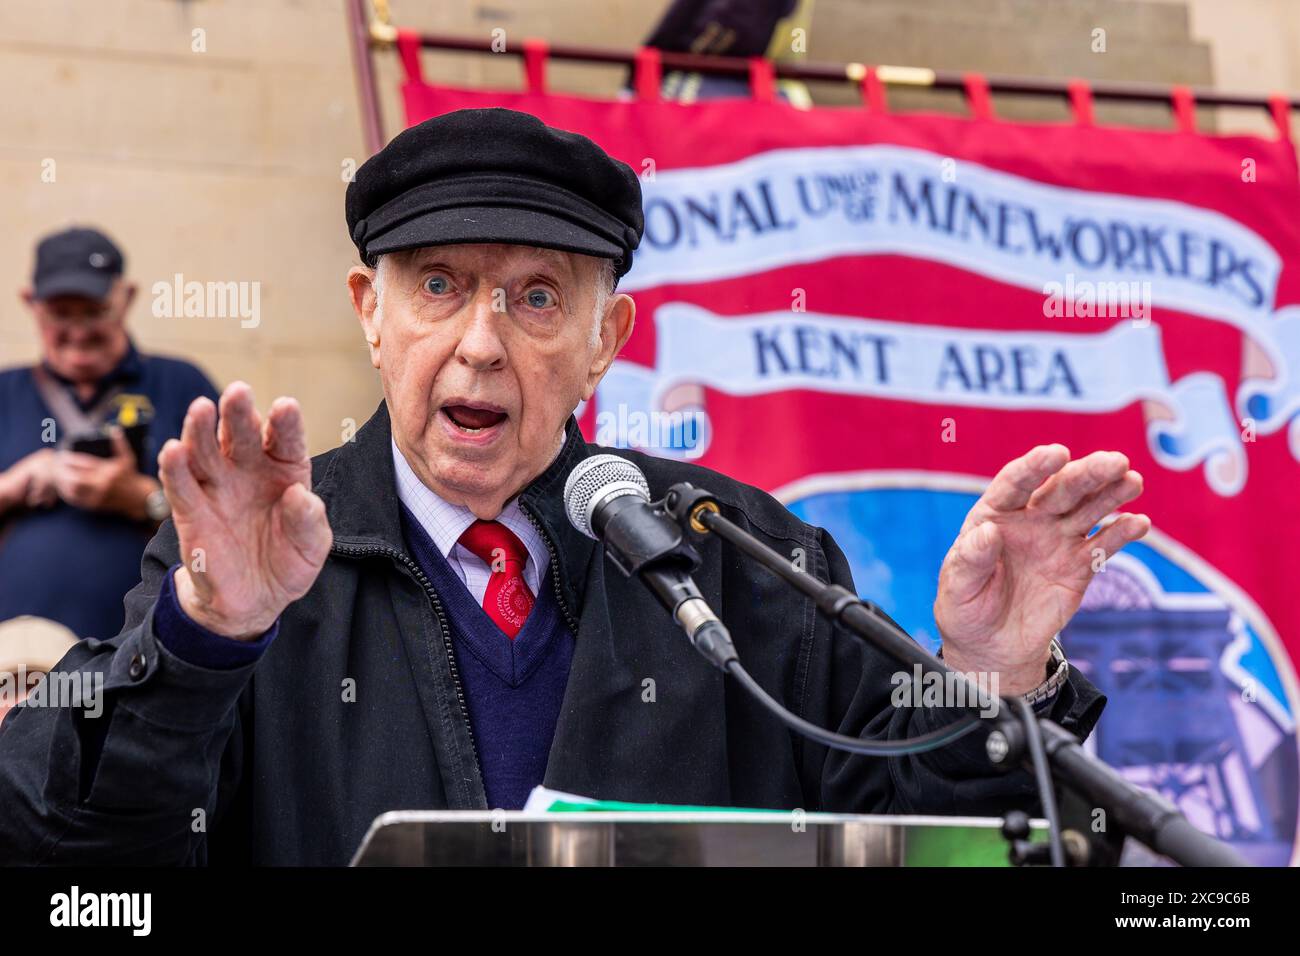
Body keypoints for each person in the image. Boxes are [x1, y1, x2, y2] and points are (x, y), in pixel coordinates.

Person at [0, 110, 1149, 865]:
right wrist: (206, 638)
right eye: (439, 286)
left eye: (538, 297)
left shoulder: (744, 554)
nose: (482, 344)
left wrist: (987, 677)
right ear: (370, 313)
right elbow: (73, 854)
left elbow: (950, 841)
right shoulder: (257, 563)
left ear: (609, 336)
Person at [0, 227, 219, 640]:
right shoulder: (5, 391)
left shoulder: (182, 385)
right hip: (15, 671)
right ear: (31, 304)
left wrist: (142, 498)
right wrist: (14, 485)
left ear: (126, 298)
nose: (79, 331)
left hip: (149, 656)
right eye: (62, 313)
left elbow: (235, 526)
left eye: (94, 311)